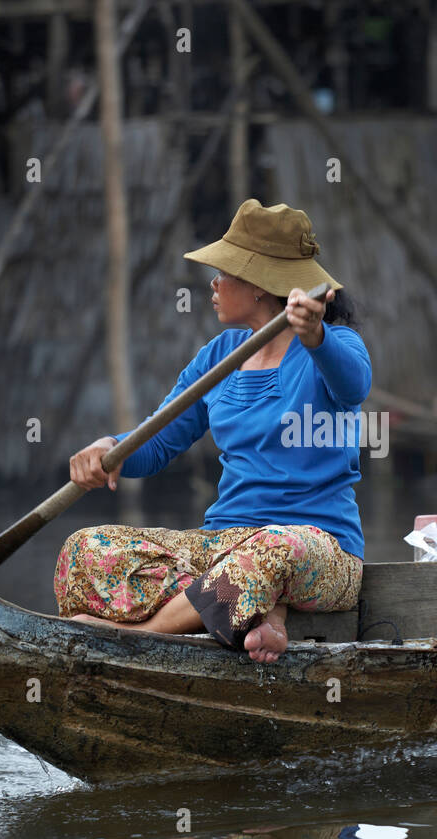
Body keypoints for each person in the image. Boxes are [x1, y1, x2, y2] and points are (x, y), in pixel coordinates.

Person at [54, 199, 369, 664]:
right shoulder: (221, 355)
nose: (213, 286)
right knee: (85, 550)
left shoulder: (334, 344)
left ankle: (152, 635)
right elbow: (158, 441)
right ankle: (257, 614)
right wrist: (111, 448)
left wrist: (315, 337)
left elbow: (354, 384)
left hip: (318, 550)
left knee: (272, 549)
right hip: (225, 545)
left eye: (224, 273)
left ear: (261, 285)